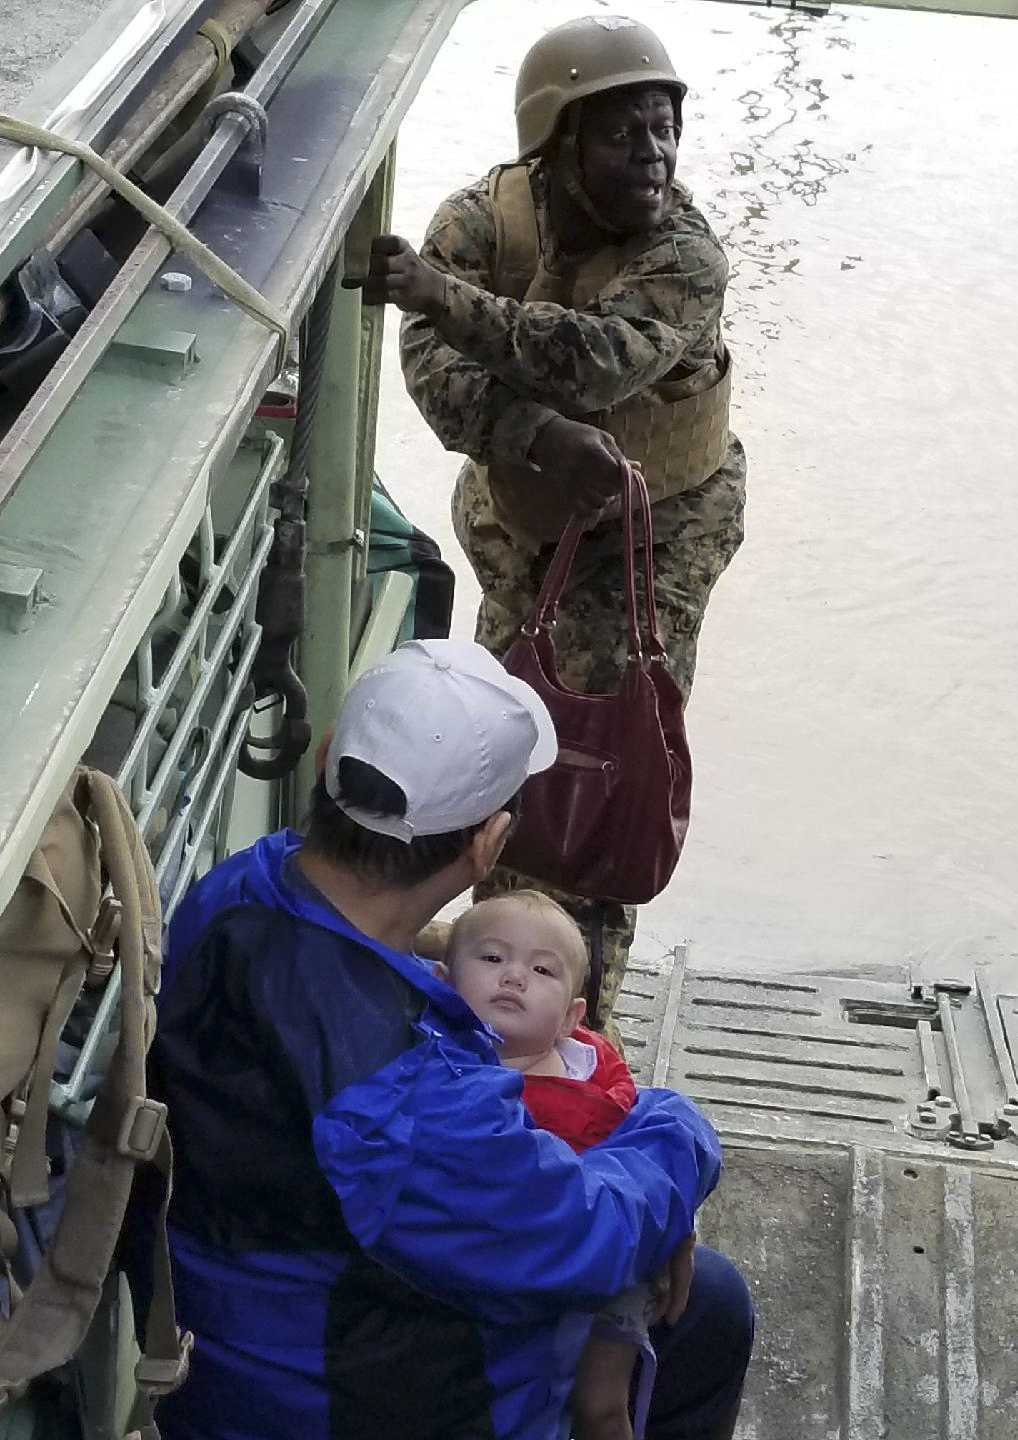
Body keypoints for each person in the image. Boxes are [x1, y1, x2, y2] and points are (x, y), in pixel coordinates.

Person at [148, 638, 753, 1440]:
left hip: (237, 1332)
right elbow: (587, 1235)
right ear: (485, 844)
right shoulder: (409, 1101)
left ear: (330, 759)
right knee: (710, 1306)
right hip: (357, 1400)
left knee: (699, 1294)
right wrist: (680, 1126)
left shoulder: (240, 891)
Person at [363, 15, 747, 1032]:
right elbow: (432, 371)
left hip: (653, 539)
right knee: (504, 749)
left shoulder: (685, 255)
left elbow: (599, 357)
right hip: (521, 529)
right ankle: (498, 976)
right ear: (559, 142)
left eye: (666, 130)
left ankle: (576, 1020)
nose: (653, 155)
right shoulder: (482, 223)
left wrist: (449, 299)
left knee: (605, 770)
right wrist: (529, 431)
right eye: (625, 134)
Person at [440, 889, 662, 1440]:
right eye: (492, 959)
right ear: (442, 984)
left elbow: (640, 1148)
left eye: (542, 969)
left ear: (571, 1018)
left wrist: (666, 1227)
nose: (513, 977)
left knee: (601, 1406)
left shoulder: (598, 1075)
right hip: (513, 1268)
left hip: (609, 1255)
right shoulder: (436, 1071)